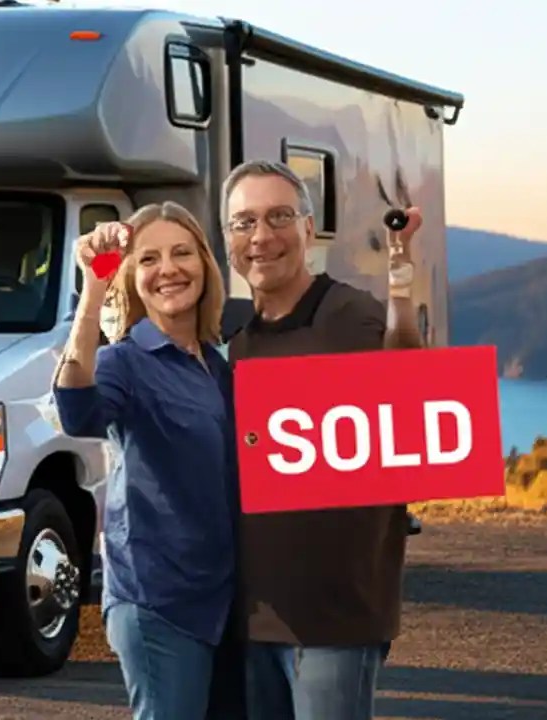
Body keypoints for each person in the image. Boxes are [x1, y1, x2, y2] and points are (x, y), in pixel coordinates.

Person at [219, 159, 425, 720]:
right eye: (244, 222)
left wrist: (401, 279)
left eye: (279, 217)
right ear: (228, 239)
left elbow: (412, 390)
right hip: (253, 618)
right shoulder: (234, 337)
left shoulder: (347, 315)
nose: (261, 236)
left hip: (333, 620)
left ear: (309, 229)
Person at [52, 202, 242, 719]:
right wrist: (94, 288)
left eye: (182, 253)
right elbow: (76, 410)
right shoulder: (124, 362)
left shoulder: (219, 363)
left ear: (205, 263)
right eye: (149, 259)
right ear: (132, 277)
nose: (168, 269)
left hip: (227, 597)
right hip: (159, 598)